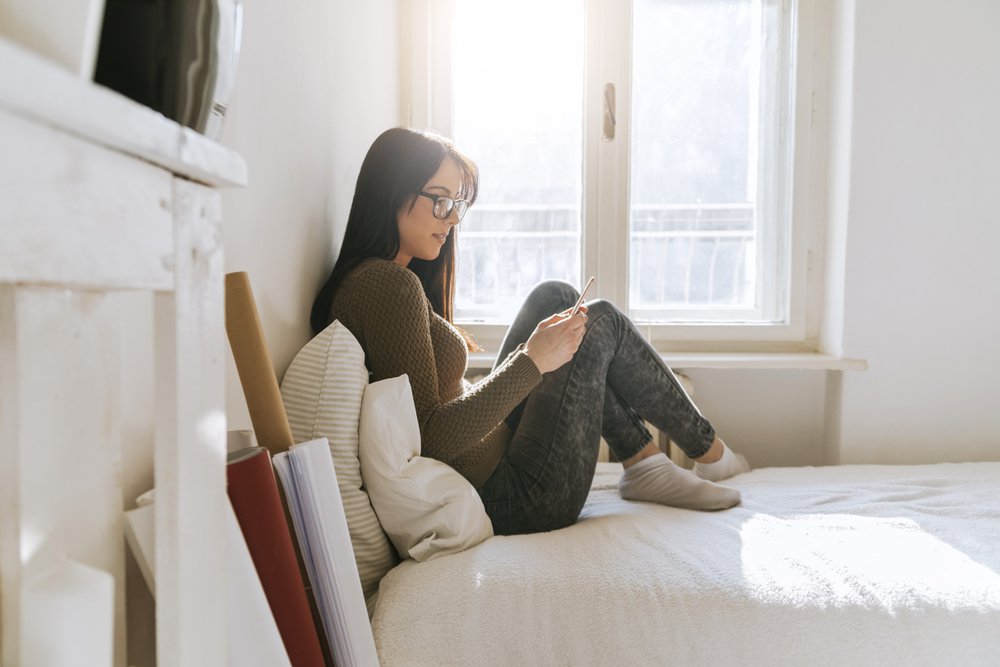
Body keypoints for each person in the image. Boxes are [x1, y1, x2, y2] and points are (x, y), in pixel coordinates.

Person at [310, 127, 750, 535]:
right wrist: (533, 361)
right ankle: (712, 455)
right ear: (392, 193)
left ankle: (644, 462)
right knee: (600, 322)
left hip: (500, 457)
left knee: (554, 296)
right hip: (517, 496)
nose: (452, 219)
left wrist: (537, 363)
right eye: (439, 200)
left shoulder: (386, 278)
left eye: (457, 203)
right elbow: (433, 439)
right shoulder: (388, 285)